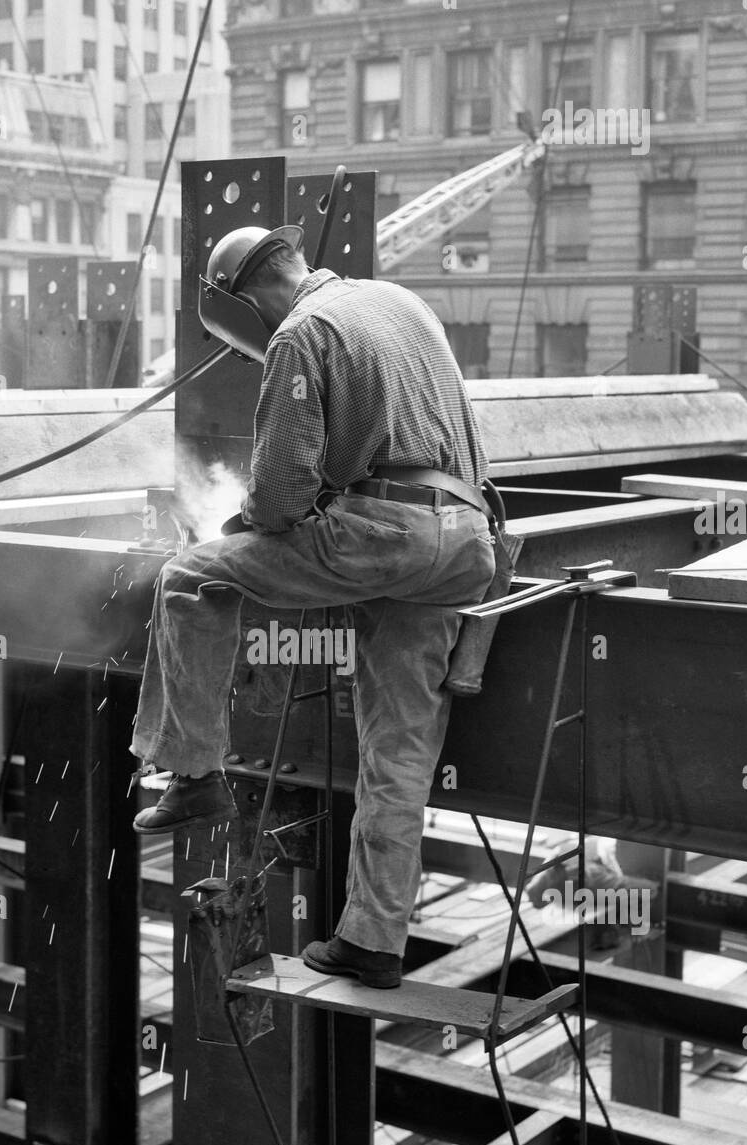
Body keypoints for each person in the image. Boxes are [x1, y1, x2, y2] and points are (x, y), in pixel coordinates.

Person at [131, 224, 495, 989]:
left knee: (188, 577)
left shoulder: (302, 332)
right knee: (397, 752)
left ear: (238, 304)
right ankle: (371, 940)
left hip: (387, 536)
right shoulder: (399, 301)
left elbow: (281, 494)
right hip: (465, 546)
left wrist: (241, 527)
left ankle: (194, 773)